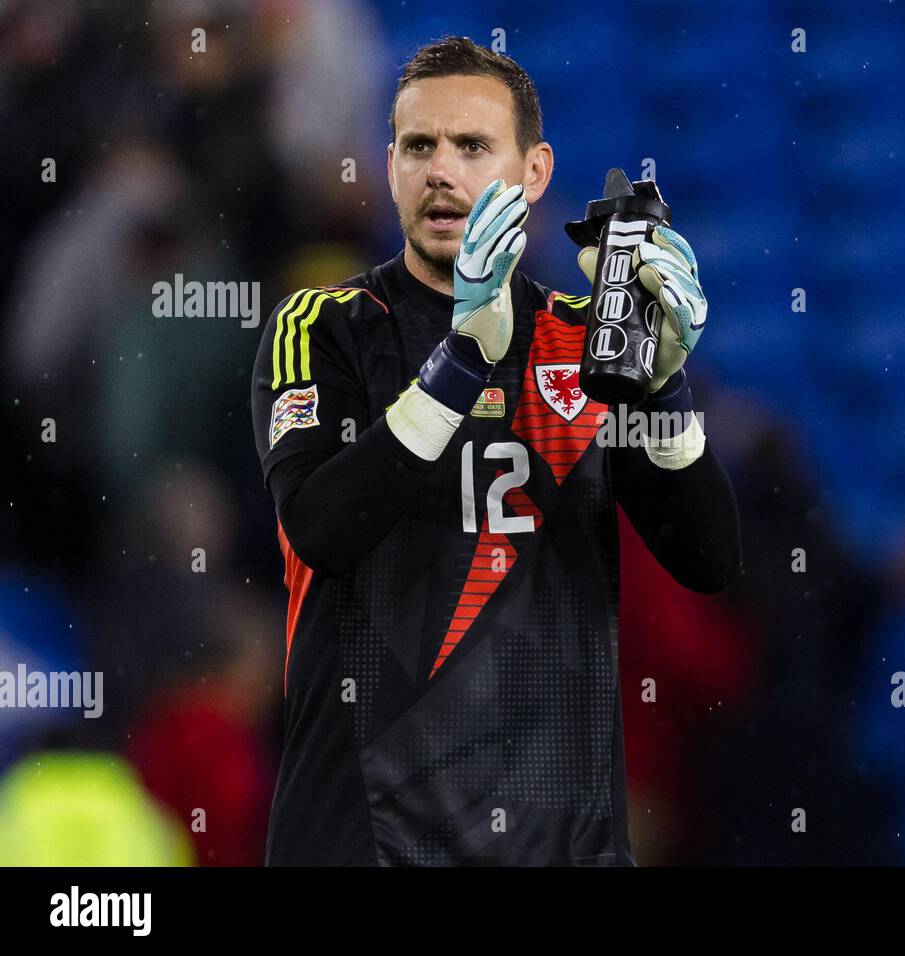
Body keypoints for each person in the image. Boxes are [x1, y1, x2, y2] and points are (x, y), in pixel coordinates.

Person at [249, 35, 741, 865]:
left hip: (562, 844)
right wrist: (462, 361)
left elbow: (709, 561)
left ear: (534, 172)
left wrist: (665, 397)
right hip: (367, 838)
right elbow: (319, 529)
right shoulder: (323, 325)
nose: (442, 170)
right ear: (392, 165)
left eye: (473, 146)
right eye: (418, 146)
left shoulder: (583, 343)